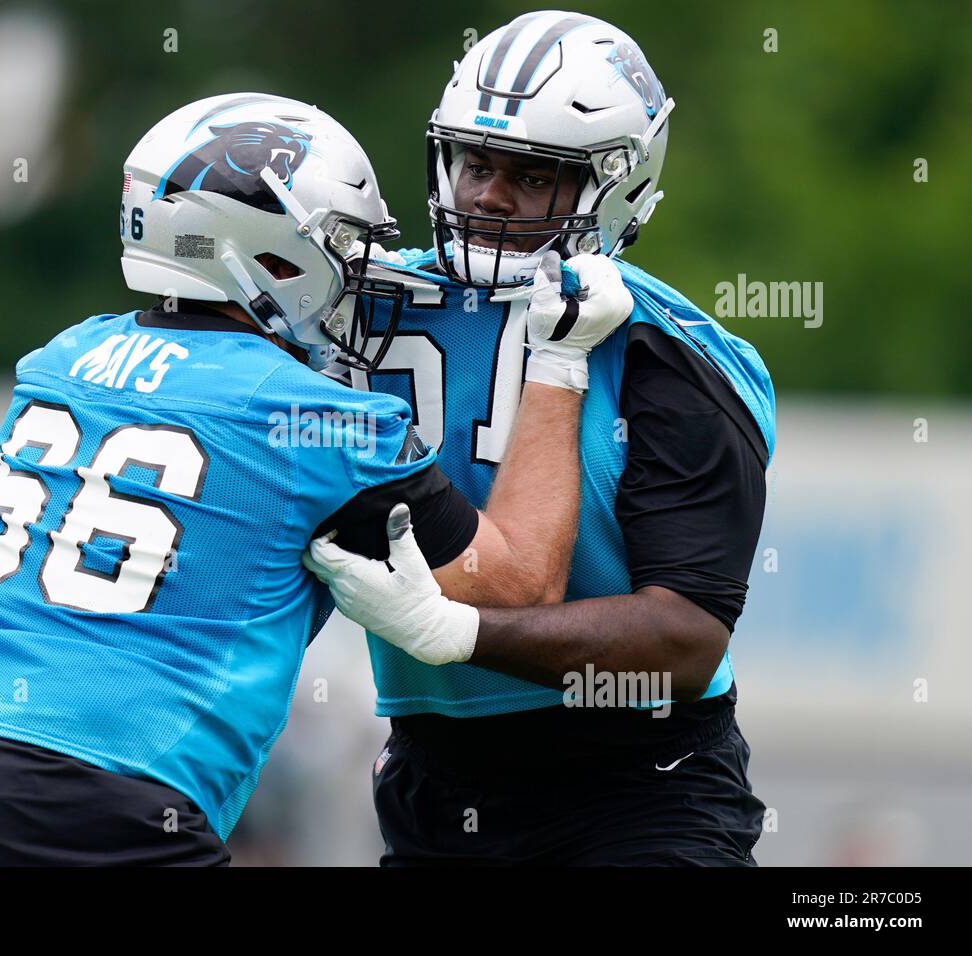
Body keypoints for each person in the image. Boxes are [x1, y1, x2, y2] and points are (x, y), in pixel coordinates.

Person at [0, 92, 633, 866]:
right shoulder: (316, 421)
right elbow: (521, 581)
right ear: (271, 252)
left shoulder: (63, 360)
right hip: (94, 800)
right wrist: (559, 363)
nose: (358, 271)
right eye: (343, 245)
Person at [307, 11, 777, 866]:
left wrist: (463, 634)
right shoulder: (349, 306)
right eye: (475, 163)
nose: (487, 195)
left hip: (641, 781)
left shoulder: (674, 354)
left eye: (532, 176)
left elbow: (684, 636)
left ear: (615, 186)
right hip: (434, 775)